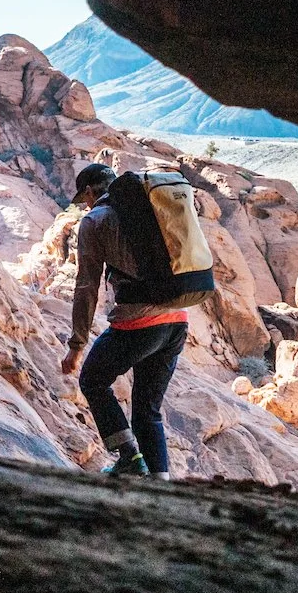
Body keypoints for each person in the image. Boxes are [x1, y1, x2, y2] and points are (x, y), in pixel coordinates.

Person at [60, 162, 186, 477]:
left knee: (92, 378)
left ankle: (129, 458)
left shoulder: (95, 220)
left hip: (140, 322)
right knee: (147, 411)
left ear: (89, 191)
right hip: (178, 319)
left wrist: (76, 345)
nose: (84, 205)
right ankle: (160, 486)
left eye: (83, 199)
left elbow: (86, 286)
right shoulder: (149, 207)